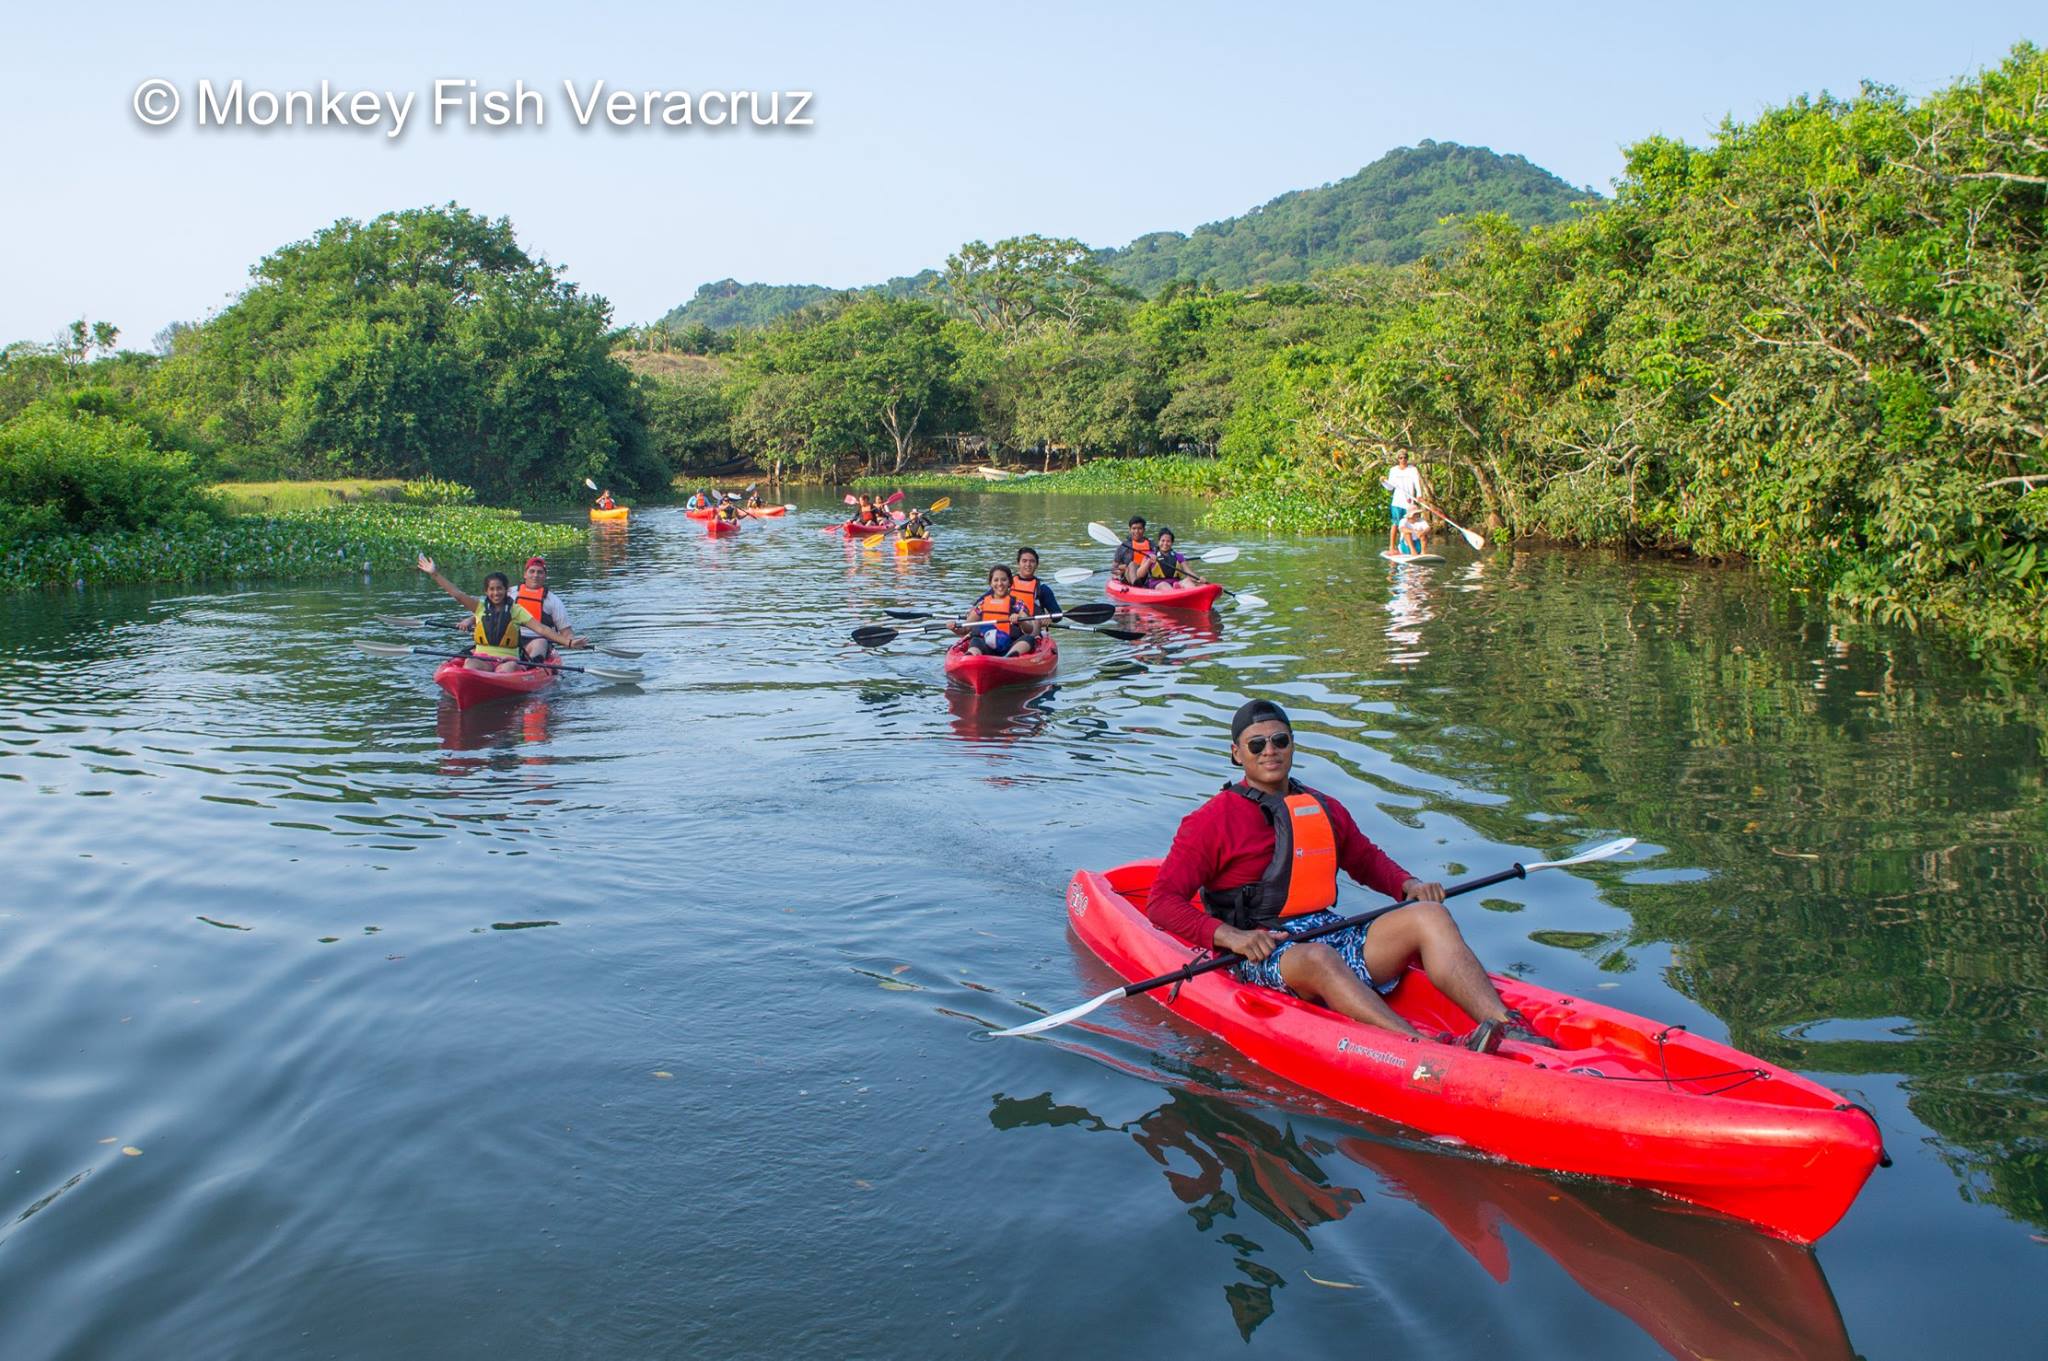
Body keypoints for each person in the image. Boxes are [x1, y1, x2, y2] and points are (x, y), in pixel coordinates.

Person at [1145, 699, 1555, 1054]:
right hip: (1258, 950)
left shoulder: (1323, 806)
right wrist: (1231, 937)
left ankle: (1508, 1025)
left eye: (1280, 740)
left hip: (1328, 930)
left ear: (1291, 746)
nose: (1270, 750)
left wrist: (1408, 885)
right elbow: (1162, 901)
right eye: (1257, 744)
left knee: (1431, 916)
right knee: (1320, 958)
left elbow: (1365, 859)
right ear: (1237, 753)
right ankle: (1421, 1048)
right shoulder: (1209, 821)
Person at [416, 556, 583, 673]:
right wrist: (434, 573)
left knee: (509, 668)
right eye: (492, 589)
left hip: (508, 659)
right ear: (486, 591)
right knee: (470, 663)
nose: (496, 593)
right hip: (483, 657)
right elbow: (457, 594)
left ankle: (527, 668)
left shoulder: (516, 610)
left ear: (506, 590)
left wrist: (569, 642)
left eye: (499, 589)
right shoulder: (479, 607)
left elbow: (543, 630)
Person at [949, 564, 1032, 657]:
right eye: (996, 580)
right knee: (976, 640)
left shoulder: (1018, 603)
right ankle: (972, 656)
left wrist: (1020, 620)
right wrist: (954, 628)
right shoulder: (982, 604)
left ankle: (1009, 657)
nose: (1000, 584)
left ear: (1009, 582)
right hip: (987, 647)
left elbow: (1029, 629)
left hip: (1010, 646)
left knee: (1028, 638)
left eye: (1004, 580)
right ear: (991, 583)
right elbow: (965, 629)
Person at [513, 555, 576, 661]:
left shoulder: (553, 601)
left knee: (540, 642)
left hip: (537, 641)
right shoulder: (509, 593)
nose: (535, 575)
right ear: (525, 574)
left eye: (540, 572)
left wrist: (571, 641)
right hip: (511, 639)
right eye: (532, 571)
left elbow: (566, 631)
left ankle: (534, 664)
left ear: (545, 576)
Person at [1381, 452, 1426, 557]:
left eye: (1405, 457)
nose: (1403, 459)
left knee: (1410, 524)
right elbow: (1390, 487)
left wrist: (1419, 495)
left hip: (1409, 504)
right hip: (1397, 502)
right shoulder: (1393, 470)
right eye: (1401, 458)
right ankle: (1392, 548)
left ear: (1407, 458)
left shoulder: (1412, 469)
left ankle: (1412, 548)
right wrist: (1383, 482)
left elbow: (1417, 483)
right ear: (1398, 459)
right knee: (1396, 524)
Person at [1010, 547, 1060, 638]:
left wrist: (1049, 617)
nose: (1028, 564)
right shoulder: (1006, 584)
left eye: (1032, 561)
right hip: (1008, 625)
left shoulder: (1042, 589)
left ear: (1037, 565)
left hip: (1032, 629)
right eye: (1024, 561)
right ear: (1018, 563)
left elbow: (1058, 615)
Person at [1113, 515, 1156, 585]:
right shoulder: (1123, 546)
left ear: (1144, 529)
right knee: (1132, 564)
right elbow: (1114, 568)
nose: (1137, 531)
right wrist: (1120, 569)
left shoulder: (1152, 545)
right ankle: (1136, 584)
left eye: (1140, 528)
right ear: (1130, 529)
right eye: (1134, 528)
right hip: (1129, 577)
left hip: (1148, 576)